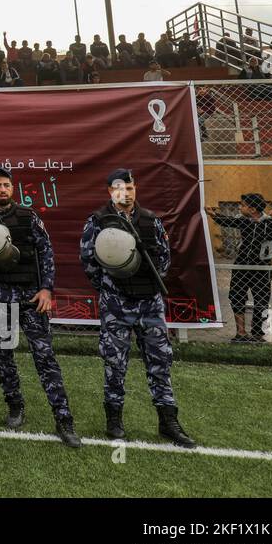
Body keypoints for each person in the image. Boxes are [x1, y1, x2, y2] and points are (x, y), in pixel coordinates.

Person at [80, 168, 195, 447]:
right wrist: (111, 289)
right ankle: (114, 418)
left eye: (131, 188)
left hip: (150, 303)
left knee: (159, 361)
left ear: (135, 189)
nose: (126, 193)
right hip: (116, 303)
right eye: (120, 188)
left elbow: (165, 260)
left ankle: (168, 421)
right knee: (114, 362)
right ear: (110, 191)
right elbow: (88, 261)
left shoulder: (150, 220)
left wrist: (145, 285)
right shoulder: (98, 221)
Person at [0, 167, 80, 446]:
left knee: (45, 359)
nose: (2, 189)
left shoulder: (29, 217)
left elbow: (46, 253)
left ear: (12, 188)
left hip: (31, 298)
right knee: (4, 358)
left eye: (6, 185)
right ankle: (15, 406)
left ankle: (63, 419)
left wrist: (47, 289)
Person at [205, 194, 272, 343]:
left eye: (243, 205)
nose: (240, 208)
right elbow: (227, 221)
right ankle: (241, 333)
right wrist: (212, 214)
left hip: (262, 267)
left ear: (253, 209)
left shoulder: (271, 223)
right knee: (236, 296)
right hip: (242, 265)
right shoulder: (244, 221)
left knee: (261, 299)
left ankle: (257, 334)